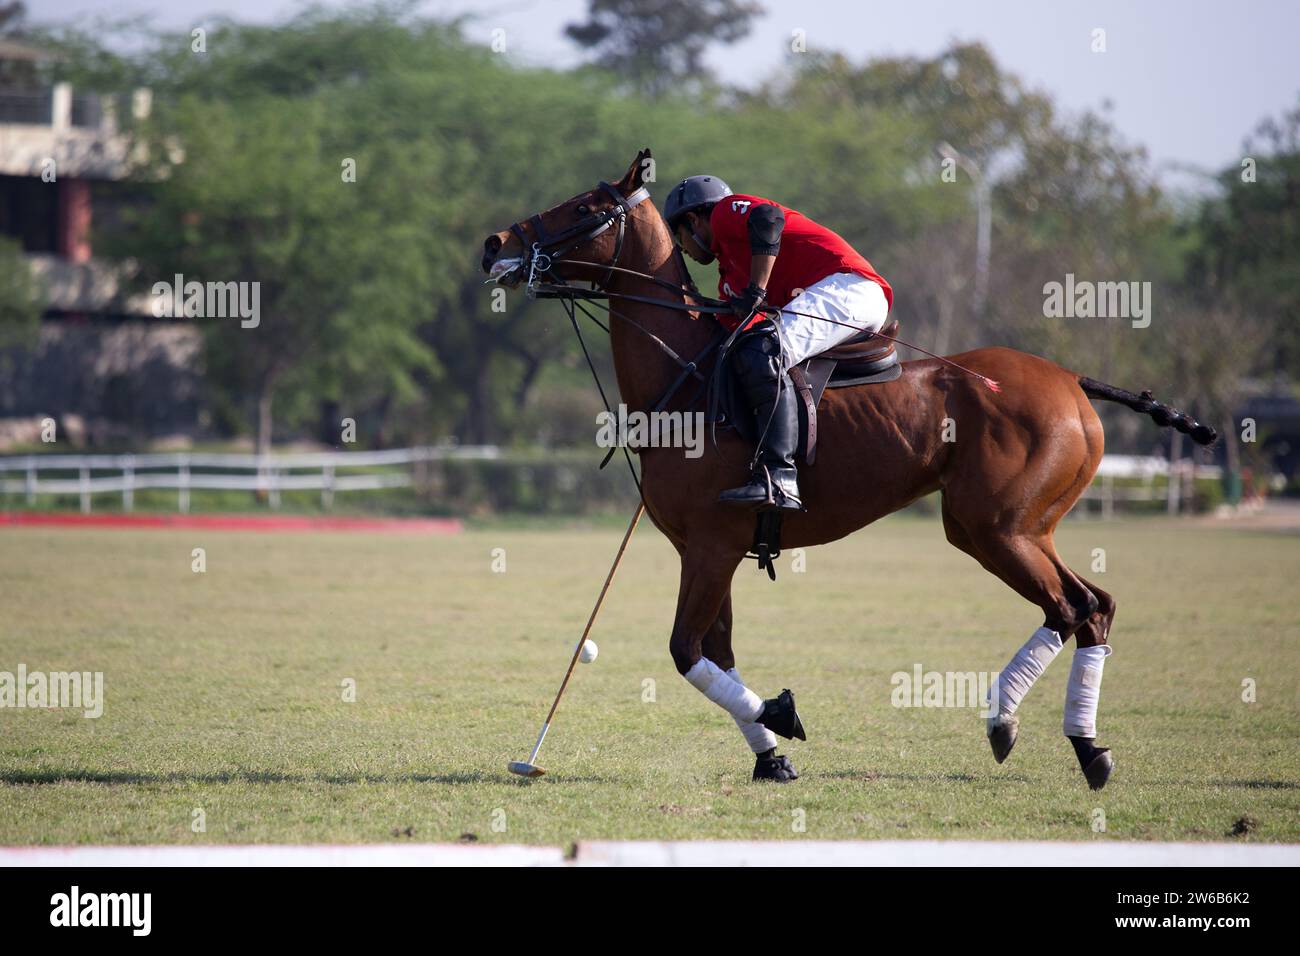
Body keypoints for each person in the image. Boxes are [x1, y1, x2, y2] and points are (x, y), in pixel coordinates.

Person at [663, 175, 894, 510]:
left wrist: (756, 292)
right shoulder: (729, 279)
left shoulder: (724, 214)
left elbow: (768, 218)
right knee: (750, 352)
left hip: (851, 288)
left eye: (680, 237)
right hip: (839, 298)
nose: (684, 248)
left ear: (694, 219)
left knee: (766, 350)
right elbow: (729, 335)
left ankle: (780, 478)